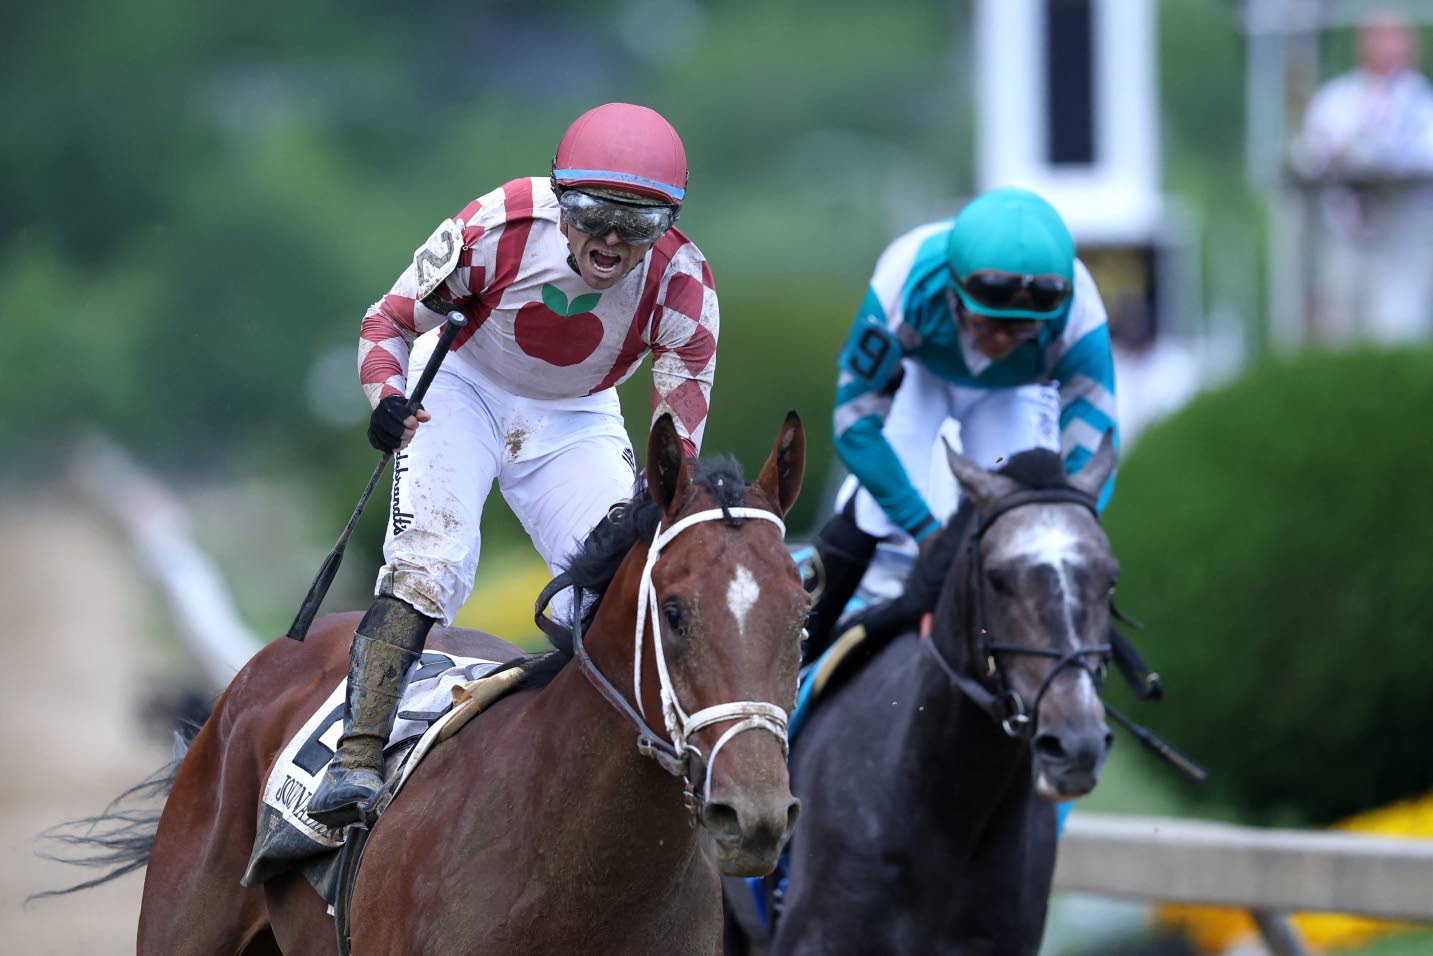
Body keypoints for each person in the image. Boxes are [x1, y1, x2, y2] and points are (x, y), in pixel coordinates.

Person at [309, 103, 719, 827]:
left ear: (670, 223)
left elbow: (672, 455)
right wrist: (388, 395)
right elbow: (389, 323)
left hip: (576, 414)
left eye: (641, 222)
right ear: (561, 199)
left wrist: (653, 516)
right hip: (461, 386)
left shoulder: (683, 286)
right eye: (593, 211)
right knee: (430, 561)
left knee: (619, 584)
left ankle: (620, 766)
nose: (613, 239)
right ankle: (357, 756)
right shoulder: (495, 227)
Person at [804, 186, 1118, 658]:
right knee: (880, 509)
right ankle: (802, 646)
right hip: (920, 375)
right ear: (952, 289)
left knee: (1016, 516)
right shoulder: (904, 280)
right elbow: (854, 425)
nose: (1000, 341)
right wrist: (929, 534)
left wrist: (1063, 521)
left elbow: (1090, 460)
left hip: (1013, 393)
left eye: (1021, 328)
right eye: (987, 321)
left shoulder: (1081, 315)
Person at [1291, 10, 1433, 344]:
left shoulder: (1422, 103)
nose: (1385, 46)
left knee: (1399, 328)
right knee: (1339, 331)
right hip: (1344, 236)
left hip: (1402, 242)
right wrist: (1335, 153)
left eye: (1392, 37)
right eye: (1376, 37)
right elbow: (1307, 152)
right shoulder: (1336, 99)